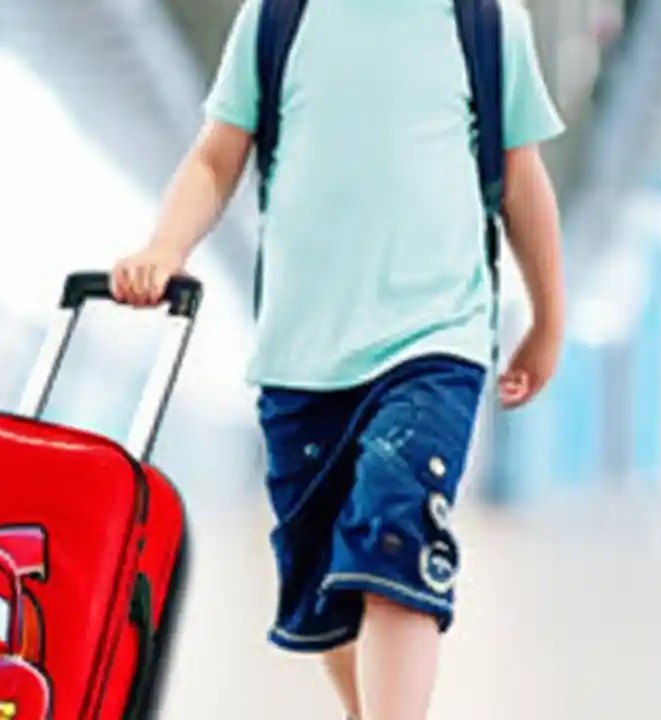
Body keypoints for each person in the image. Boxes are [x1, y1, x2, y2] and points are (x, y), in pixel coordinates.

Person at [111, 0, 566, 717]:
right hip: (301, 357)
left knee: (396, 532)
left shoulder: (483, 19)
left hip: (435, 338)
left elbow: (520, 176)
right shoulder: (276, 17)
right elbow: (215, 156)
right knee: (324, 586)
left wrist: (547, 317)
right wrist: (166, 248)